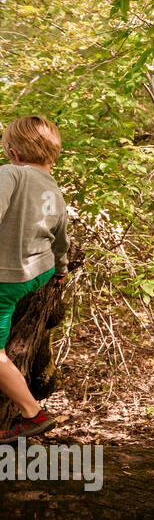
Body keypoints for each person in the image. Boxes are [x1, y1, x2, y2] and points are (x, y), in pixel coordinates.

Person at [0, 116, 69, 443]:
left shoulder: (9, 174)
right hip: (37, 273)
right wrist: (61, 270)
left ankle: (32, 413)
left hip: (6, 277)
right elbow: (61, 240)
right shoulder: (55, 191)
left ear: (12, 152)